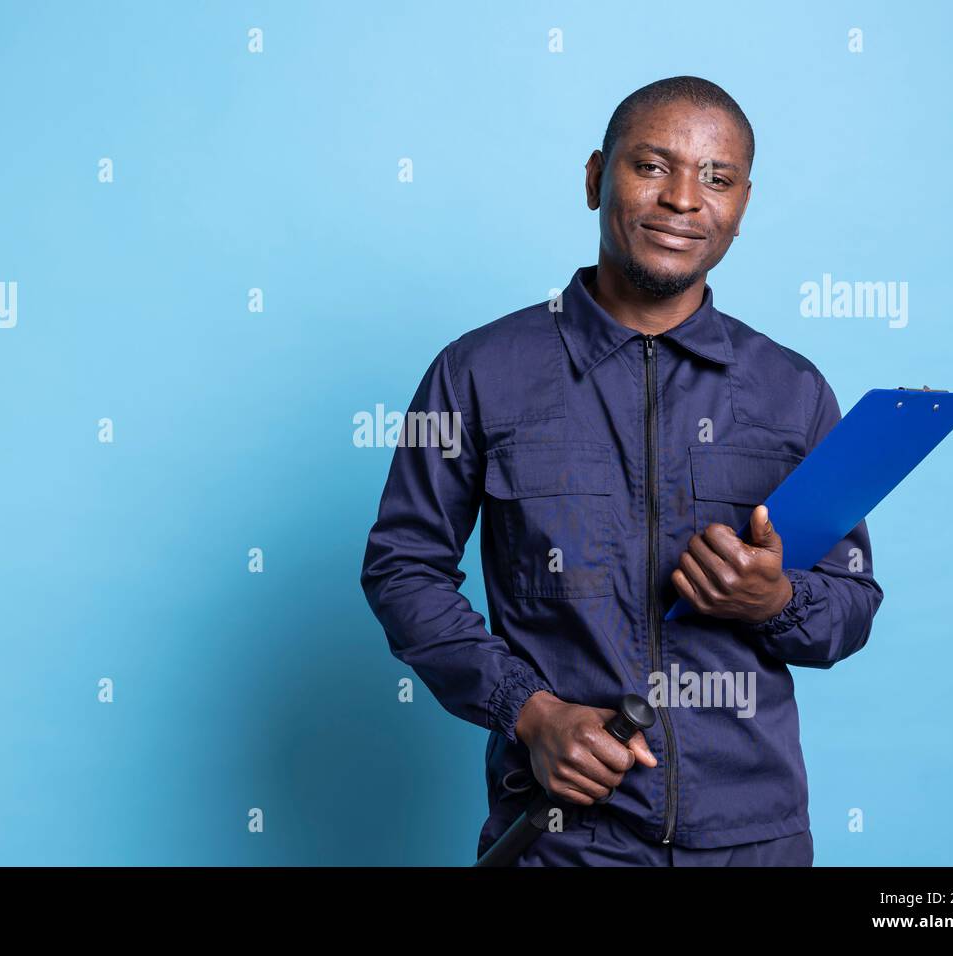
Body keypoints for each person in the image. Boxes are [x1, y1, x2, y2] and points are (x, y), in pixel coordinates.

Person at [360, 76, 883, 866]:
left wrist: (774, 599)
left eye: (717, 178)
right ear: (594, 176)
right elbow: (403, 570)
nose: (683, 200)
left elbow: (852, 605)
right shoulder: (478, 373)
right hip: (564, 836)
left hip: (756, 842)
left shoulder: (793, 390)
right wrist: (529, 713)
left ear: (743, 203)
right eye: (652, 166)